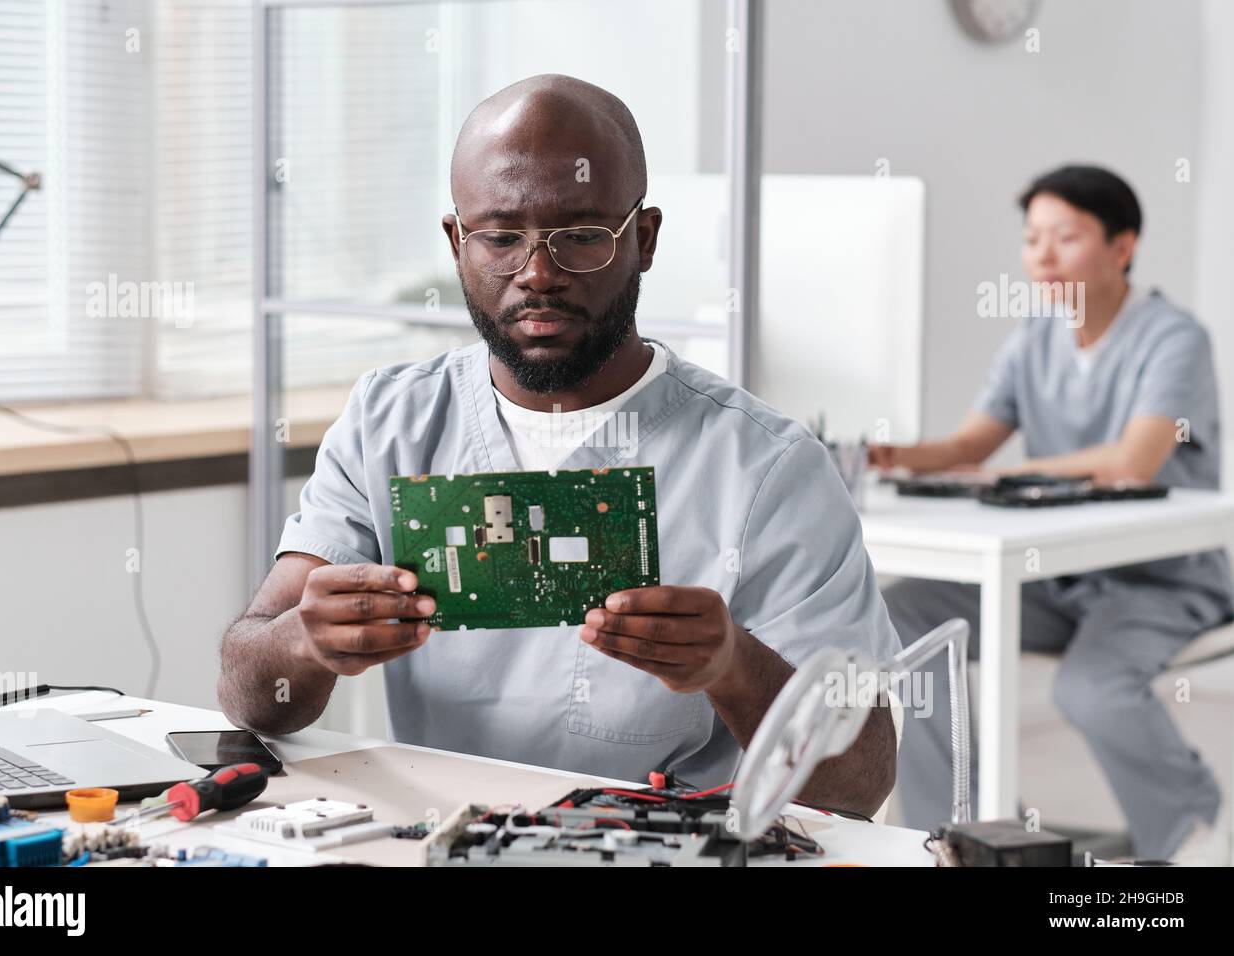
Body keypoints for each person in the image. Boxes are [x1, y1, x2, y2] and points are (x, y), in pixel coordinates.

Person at [218, 74, 900, 816]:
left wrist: (733, 666)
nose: (538, 274)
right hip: (438, 842)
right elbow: (253, 700)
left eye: (580, 236)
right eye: (502, 238)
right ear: (457, 243)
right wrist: (303, 643)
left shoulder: (767, 466)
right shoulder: (388, 421)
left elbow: (859, 783)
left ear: (643, 240)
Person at [871, 165, 1232, 859]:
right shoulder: (1034, 337)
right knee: (905, 619)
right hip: (1058, 577)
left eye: (1064, 237)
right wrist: (891, 452)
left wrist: (1009, 472)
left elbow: (1134, 462)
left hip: (1160, 581)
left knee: (1091, 688)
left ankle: (1193, 828)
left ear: (1122, 247)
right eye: (1031, 238)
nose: (1040, 255)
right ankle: (975, 826)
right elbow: (970, 444)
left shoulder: (1173, 337)